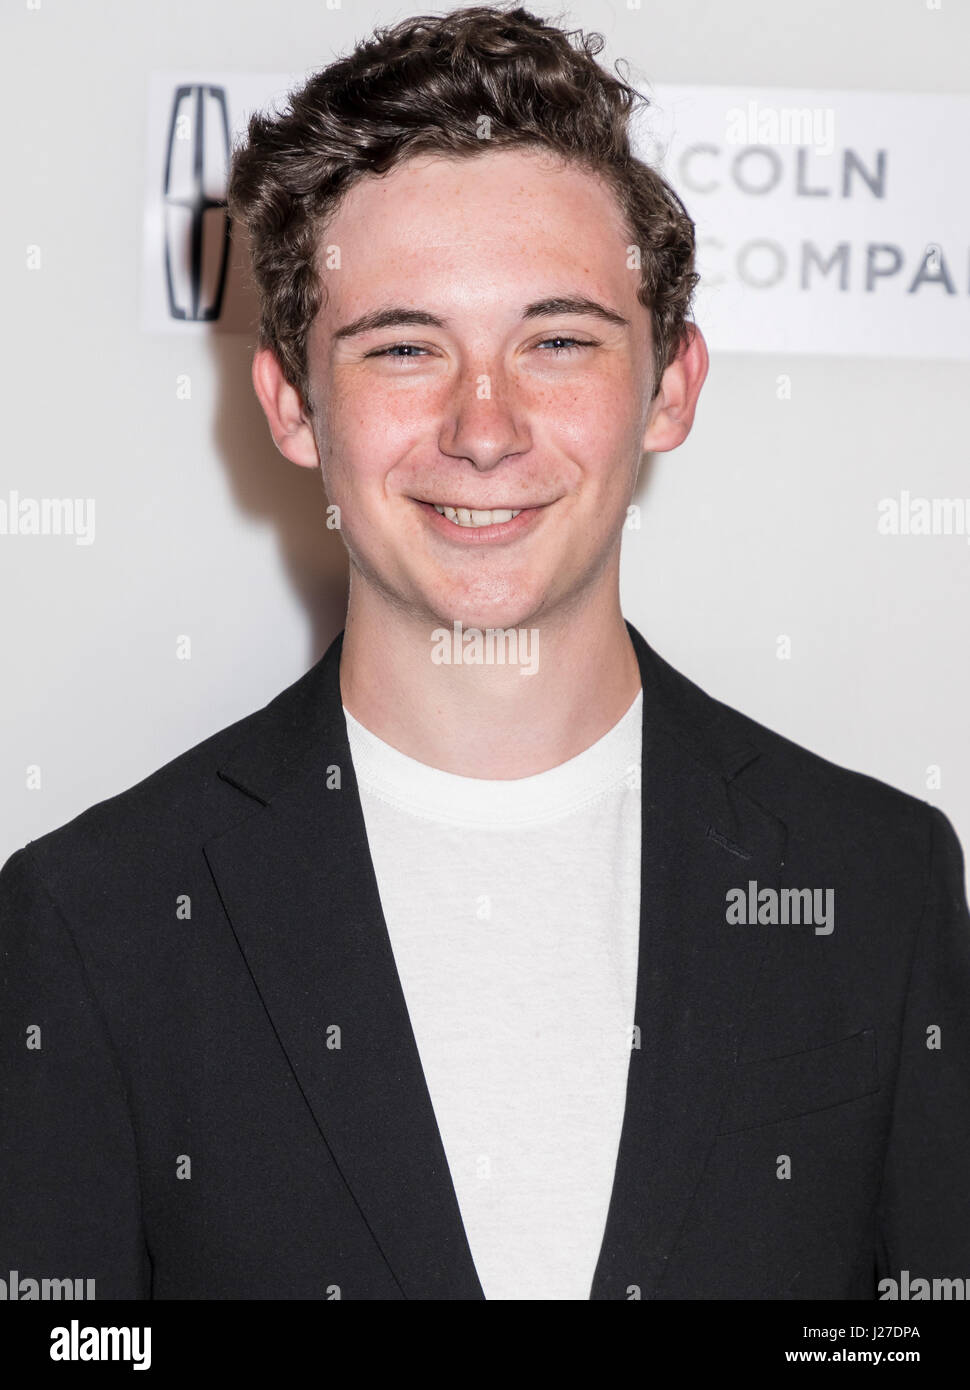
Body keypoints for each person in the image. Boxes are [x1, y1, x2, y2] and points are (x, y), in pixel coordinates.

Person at [2, 5, 968, 1301]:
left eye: (556, 339)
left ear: (669, 387)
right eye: (404, 347)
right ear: (294, 406)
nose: (483, 425)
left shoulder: (881, 883)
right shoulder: (94, 916)